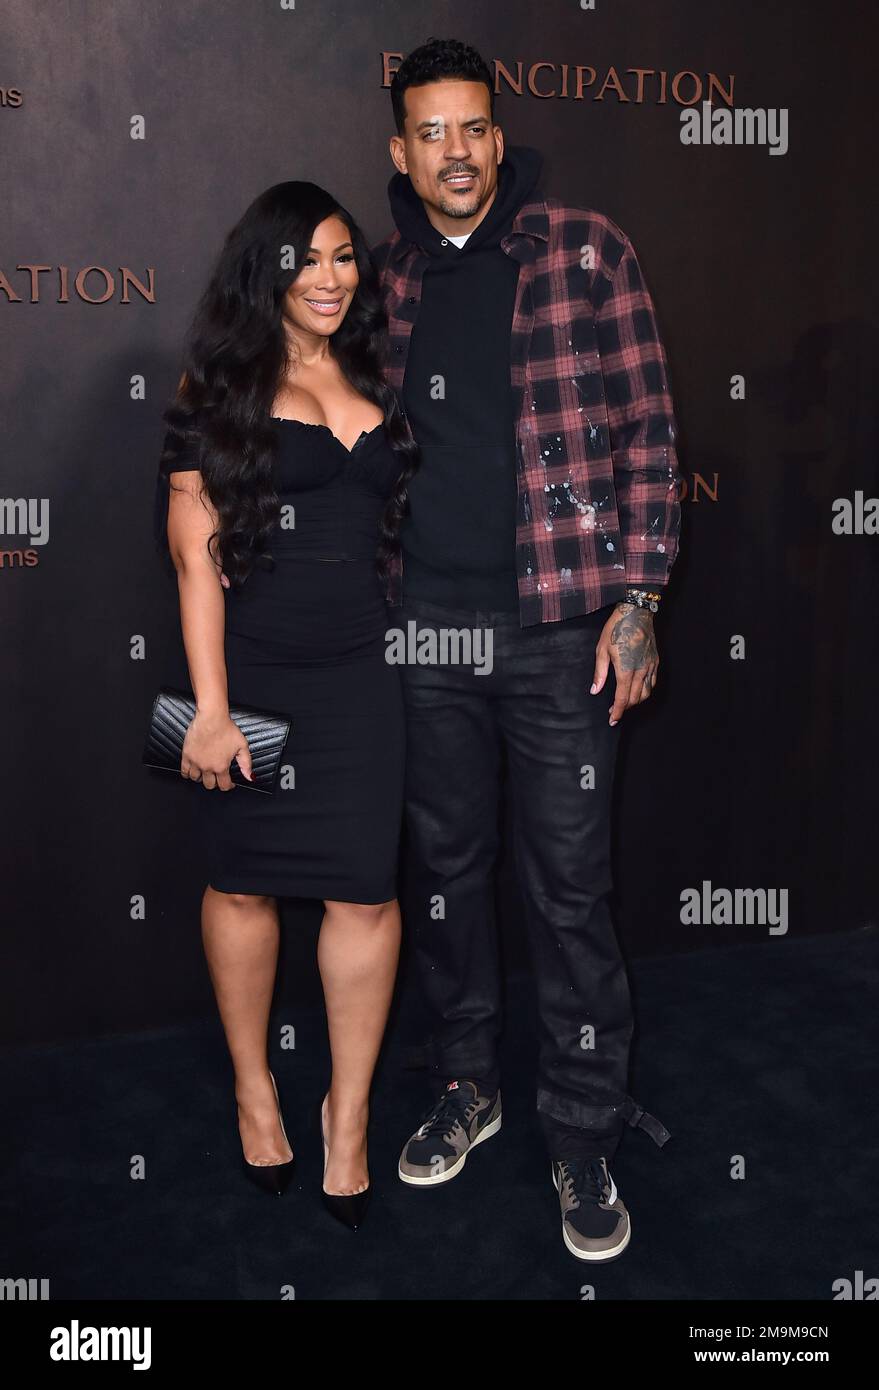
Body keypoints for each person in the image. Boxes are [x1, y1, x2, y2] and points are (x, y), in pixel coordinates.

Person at [371, 38, 682, 1262]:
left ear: (502, 138)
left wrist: (641, 597)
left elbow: (653, 431)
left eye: (475, 128)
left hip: (560, 631)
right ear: (402, 151)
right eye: (432, 132)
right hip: (425, 631)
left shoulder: (588, 252)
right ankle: (468, 1085)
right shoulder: (380, 277)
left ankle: (585, 1135)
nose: (458, 151)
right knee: (445, 877)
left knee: (568, 895)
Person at [153, 181, 416, 1229]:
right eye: (304, 259)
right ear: (262, 269)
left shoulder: (375, 368)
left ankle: (345, 1118)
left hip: (361, 675)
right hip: (254, 673)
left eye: (346, 256)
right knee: (246, 884)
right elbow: (194, 552)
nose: (329, 277)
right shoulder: (219, 380)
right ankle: (255, 1089)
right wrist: (211, 709)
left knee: (366, 898)